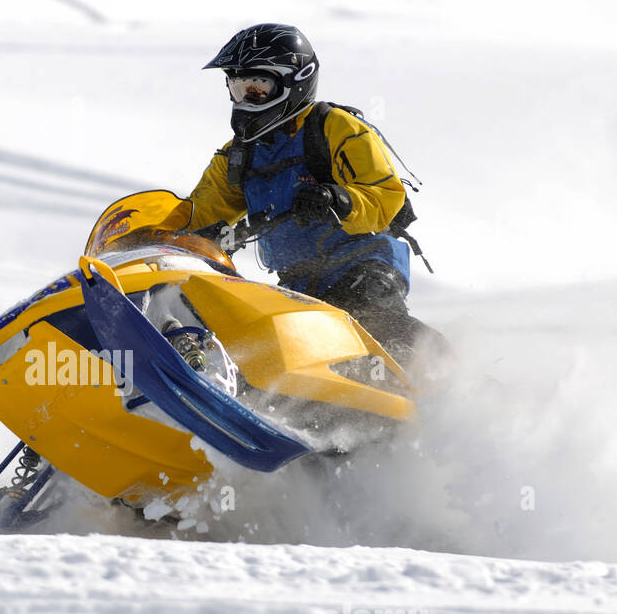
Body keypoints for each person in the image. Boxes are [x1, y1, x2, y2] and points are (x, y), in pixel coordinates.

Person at [181, 23, 441, 365]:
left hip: (361, 264)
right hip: (298, 283)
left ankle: (444, 378)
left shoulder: (336, 128)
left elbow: (384, 195)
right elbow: (196, 213)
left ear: (294, 82)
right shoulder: (238, 155)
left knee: (373, 321)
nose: (245, 98)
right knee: (276, 347)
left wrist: (338, 199)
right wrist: (149, 235)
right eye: (238, 87)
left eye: (258, 87)